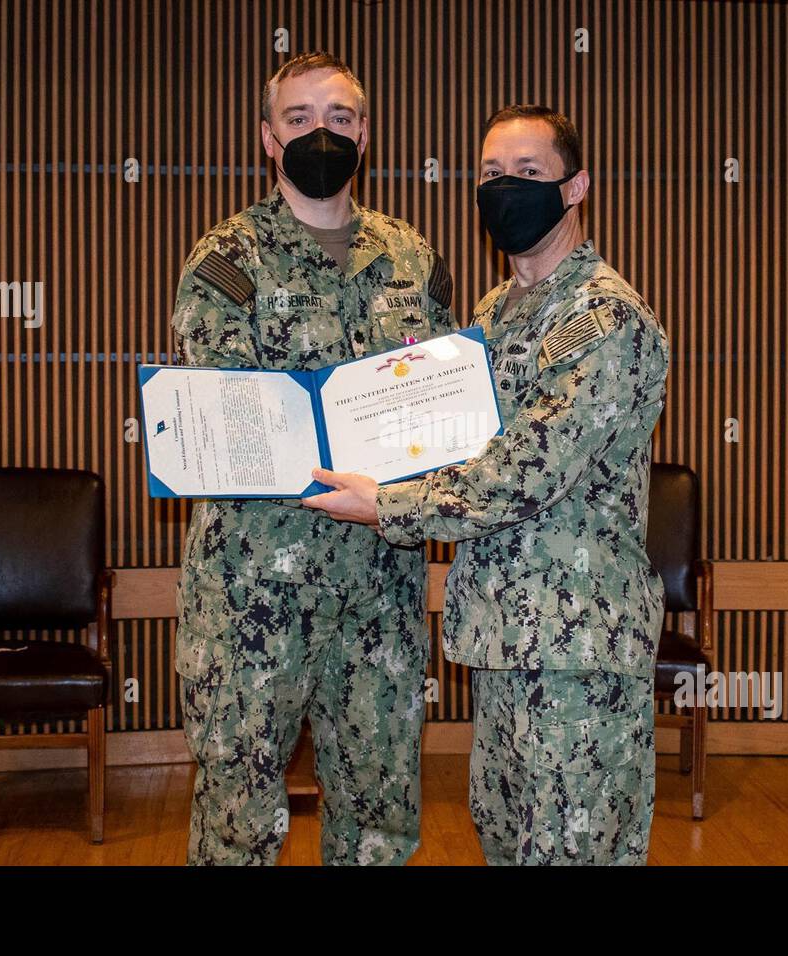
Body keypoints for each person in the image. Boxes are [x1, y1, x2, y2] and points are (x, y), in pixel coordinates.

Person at [304, 105, 670, 865]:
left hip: (577, 651)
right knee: (507, 848)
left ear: (576, 189)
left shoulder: (604, 316)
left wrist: (387, 504)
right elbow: (445, 443)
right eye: (492, 175)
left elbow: (522, 473)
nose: (506, 190)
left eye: (529, 174)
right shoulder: (490, 317)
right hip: (502, 643)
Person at [170, 52, 455, 865]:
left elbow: (436, 410)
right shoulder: (226, 261)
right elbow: (228, 418)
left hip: (380, 595)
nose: (319, 133)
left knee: (379, 817)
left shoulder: (413, 259)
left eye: (339, 117)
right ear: (268, 137)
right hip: (252, 596)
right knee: (238, 822)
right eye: (298, 119)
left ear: (364, 132)